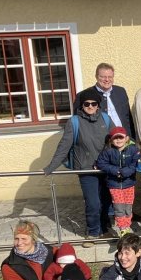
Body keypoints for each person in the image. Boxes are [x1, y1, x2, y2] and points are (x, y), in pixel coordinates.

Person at [44, 87, 113, 243]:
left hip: (105, 168)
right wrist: (50, 167)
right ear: (81, 105)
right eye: (86, 104)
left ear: (98, 105)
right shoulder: (74, 122)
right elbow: (64, 146)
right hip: (86, 168)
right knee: (93, 203)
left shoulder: (106, 119)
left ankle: (104, 228)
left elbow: (117, 139)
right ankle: (93, 232)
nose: (90, 107)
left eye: (93, 104)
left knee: (106, 201)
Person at [96, 126, 140, 238]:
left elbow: (136, 164)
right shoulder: (108, 151)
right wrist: (115, 171)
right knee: (119, 207)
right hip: (114, 184)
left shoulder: (133, 150)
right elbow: (101, 163)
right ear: (111, 139)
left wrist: (125, 172)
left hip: (129, 183)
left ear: (126, 138)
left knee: (128, 207)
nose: (119, 140)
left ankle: (127, 225)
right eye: (116, 138)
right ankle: (122, 228)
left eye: (121, 137)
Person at [74, 62, 133, 135]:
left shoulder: (121, 91)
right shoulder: (83, 95)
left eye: (110, 77)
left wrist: (132, 139)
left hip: (123, 138)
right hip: (101, 141)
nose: (107, 80)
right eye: (103, 77)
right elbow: (77, 123)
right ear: (96, 76)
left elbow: (128, 118)